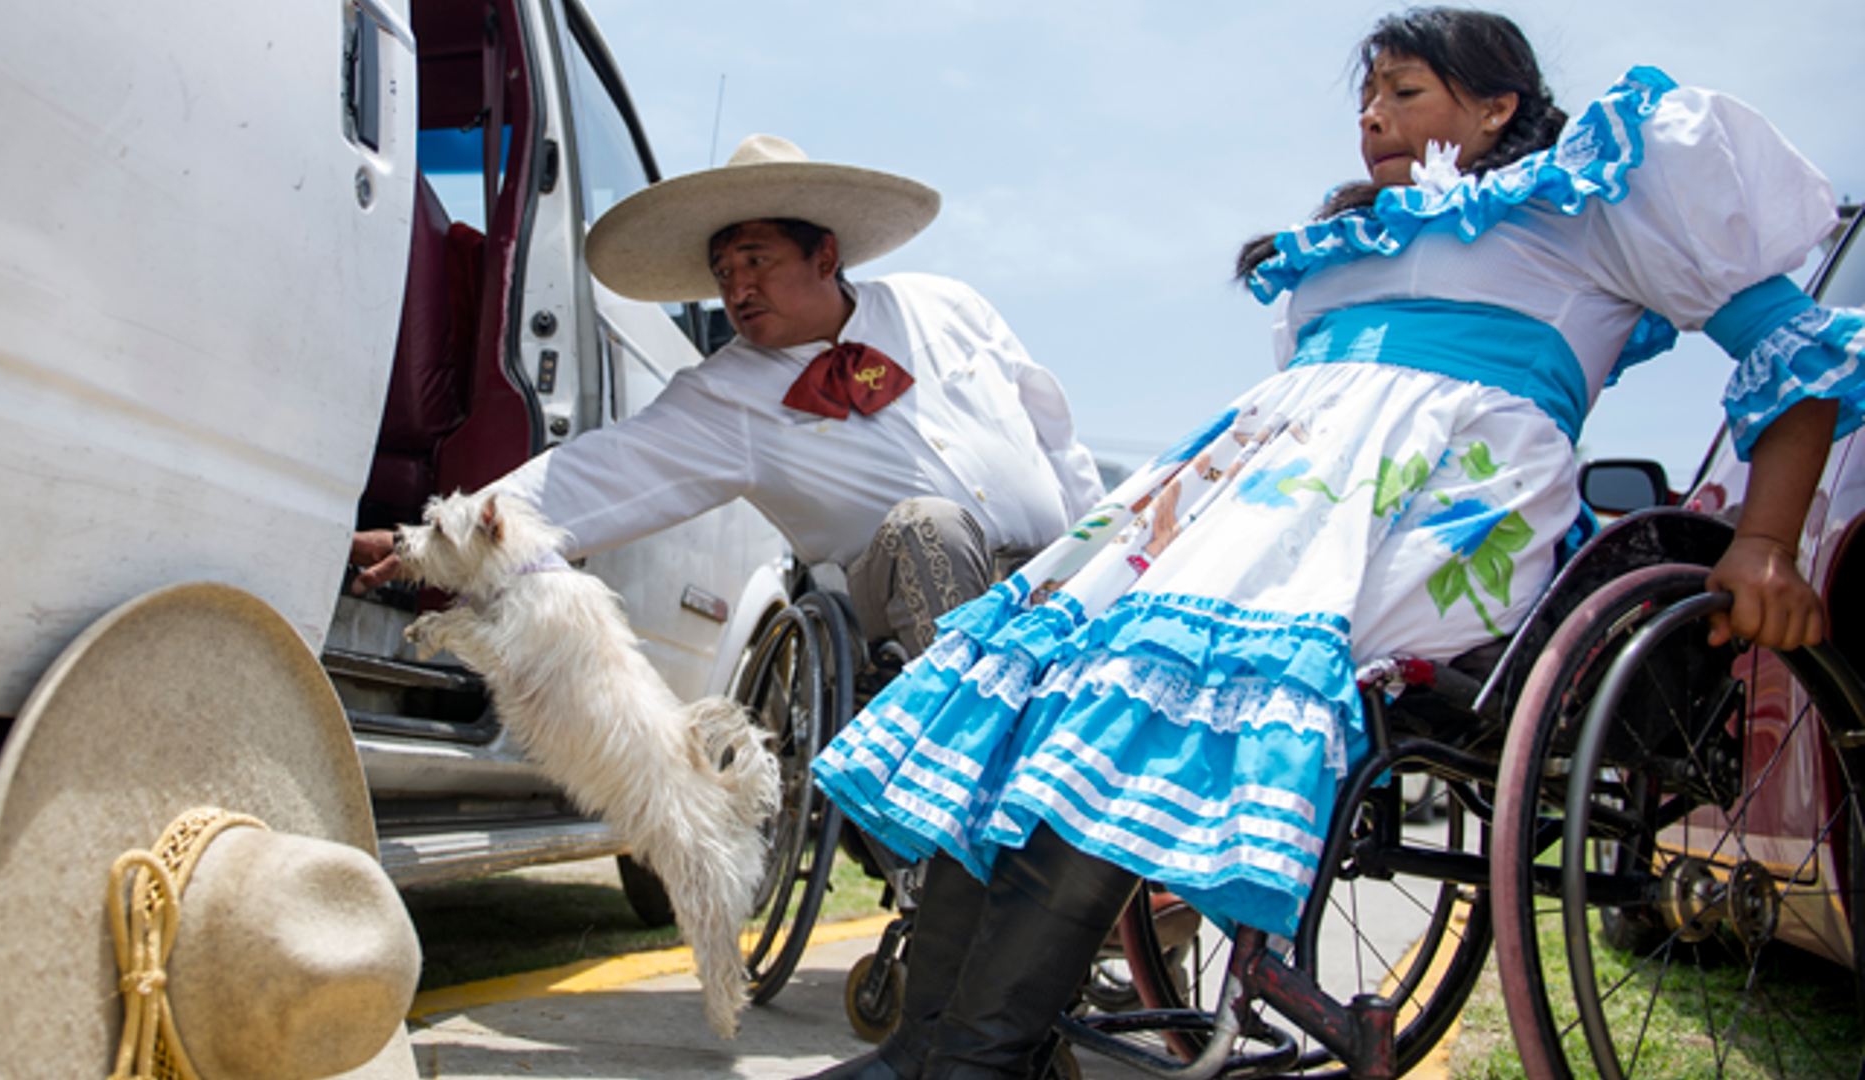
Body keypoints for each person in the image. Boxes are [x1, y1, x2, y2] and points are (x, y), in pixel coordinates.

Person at [807, 8, 1864, 1080]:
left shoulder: (1593, 198)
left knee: (1136, 694)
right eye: (1366, 100)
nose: (1373, 118)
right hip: (1259, 498)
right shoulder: (1348, 241)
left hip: (1436, 506)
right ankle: (926, 1049)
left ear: (1497, 107)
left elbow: (1793, 348)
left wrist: (1766, 542)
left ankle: (979, 1060)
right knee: (1037, 687)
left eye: (1405, 92)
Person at [351, 135, 1103, 659]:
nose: (736, 288)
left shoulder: (944, 304)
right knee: (925, 528)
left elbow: (1055, 435)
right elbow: (594, 475)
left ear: (825, 256)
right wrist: (431, 542)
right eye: (722, 272)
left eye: (756, 260)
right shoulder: (727, 396)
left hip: (1057, 581)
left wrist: (1111, 555)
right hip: (910, 601)